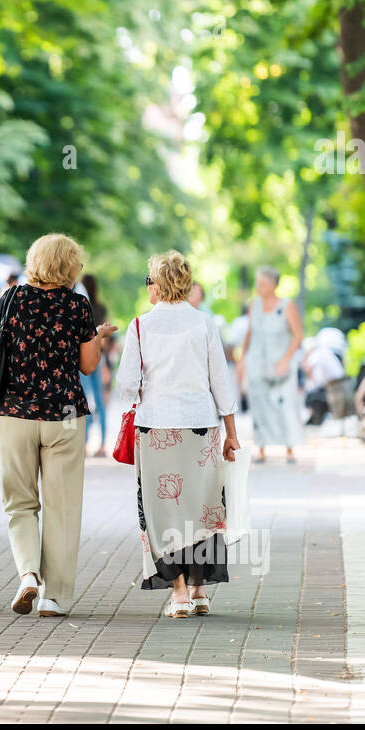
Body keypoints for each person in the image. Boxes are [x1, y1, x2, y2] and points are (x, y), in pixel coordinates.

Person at [0, 234, 116, 617]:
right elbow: (88, 366)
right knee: (62, 507)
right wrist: (95, 336)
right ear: (68, 266)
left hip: (13, 414)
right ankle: (55, 597)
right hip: (63, 417)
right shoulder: (78, 306)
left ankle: (28, 573)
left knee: (20, 502)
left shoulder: (12, 299)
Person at [114, 251, 241, 618]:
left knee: (164, 512)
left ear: (158, 284)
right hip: (201, 428)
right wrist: (231, 434)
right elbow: (221, 381)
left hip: (156, 429)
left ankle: (180, 593)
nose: (147, 287)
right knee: (204, 509)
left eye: (148, 280)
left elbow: (126, 386)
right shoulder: (204, 324)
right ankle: (201, 589)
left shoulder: (140, 326)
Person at [237, 266, 304, 462]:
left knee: (285, 404)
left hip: (281, 363)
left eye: (262, 283)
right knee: (259, 405)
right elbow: (250, 332)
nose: (258, 287)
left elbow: (298, 335)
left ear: (273, 285)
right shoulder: (254, 305)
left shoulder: (286, 305)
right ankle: (261, 447)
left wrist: (286, 359)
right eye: (257, 283)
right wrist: (242, 359)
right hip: (257, 362)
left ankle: (289, 448)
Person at [79, 273, 111, 457]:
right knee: (99, 401)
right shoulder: (100, 308)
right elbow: (105, 340)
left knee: (83, 401)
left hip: (82, 359)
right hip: (98, 358)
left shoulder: (80, 307)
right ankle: (102, 444)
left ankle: (83, 444)